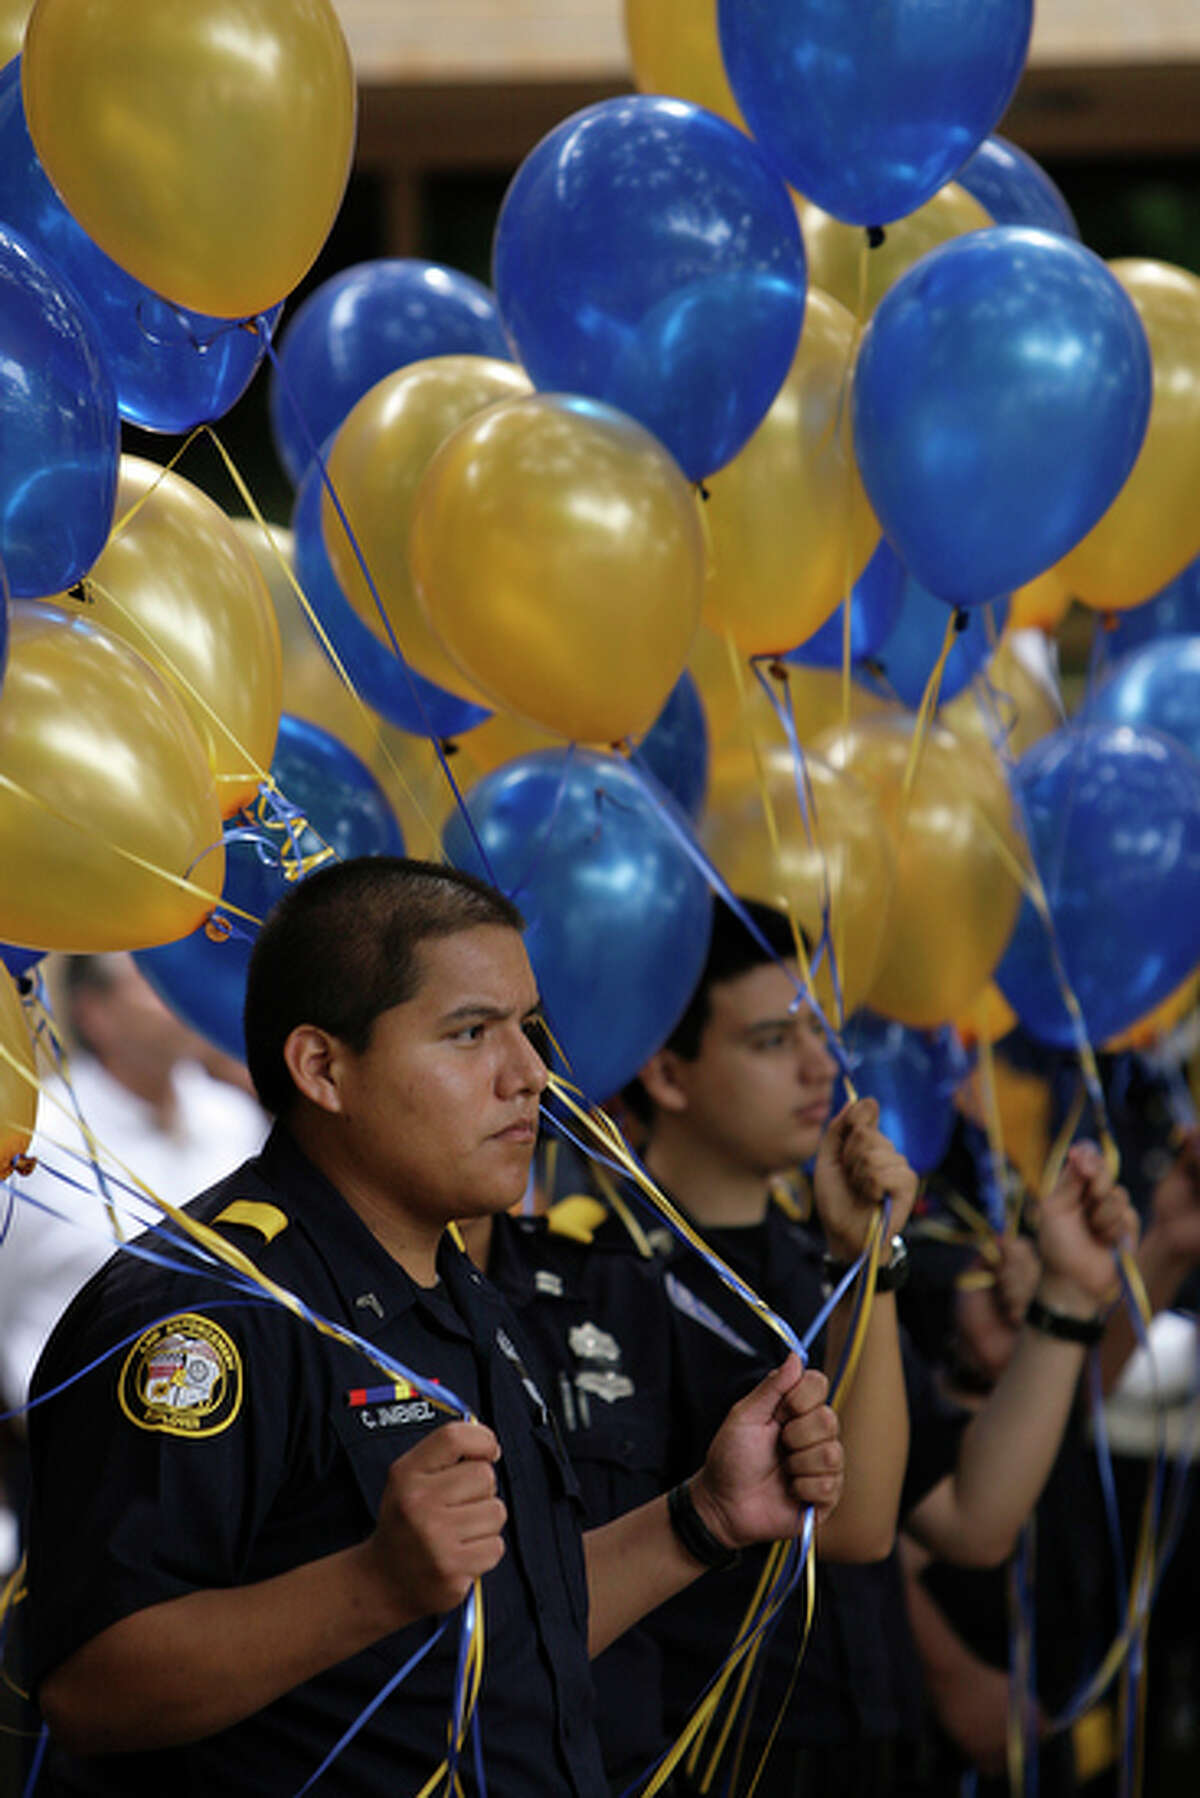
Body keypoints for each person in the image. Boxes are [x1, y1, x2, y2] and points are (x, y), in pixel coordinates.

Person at [22, 858, 845, 1798]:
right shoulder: (211, 1311)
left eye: (527, 1028)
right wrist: (372, 1585)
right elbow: (91, 1688)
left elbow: (512, 1632)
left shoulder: (459, 1284)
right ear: (323, 1068)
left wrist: (701, 1518)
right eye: (470, 1034)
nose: (530, 1075)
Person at [603, 898, 1137, 1797]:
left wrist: (1070, 1297)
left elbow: (972, 1517)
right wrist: (866, 1270)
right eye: (773, 1041)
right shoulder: (600, 1274)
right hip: (718, 1764)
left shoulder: (818, 1249)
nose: (822, 1066)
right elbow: (856, 1529)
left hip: (877, 1749)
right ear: (666, 1072)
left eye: (821, 1032)